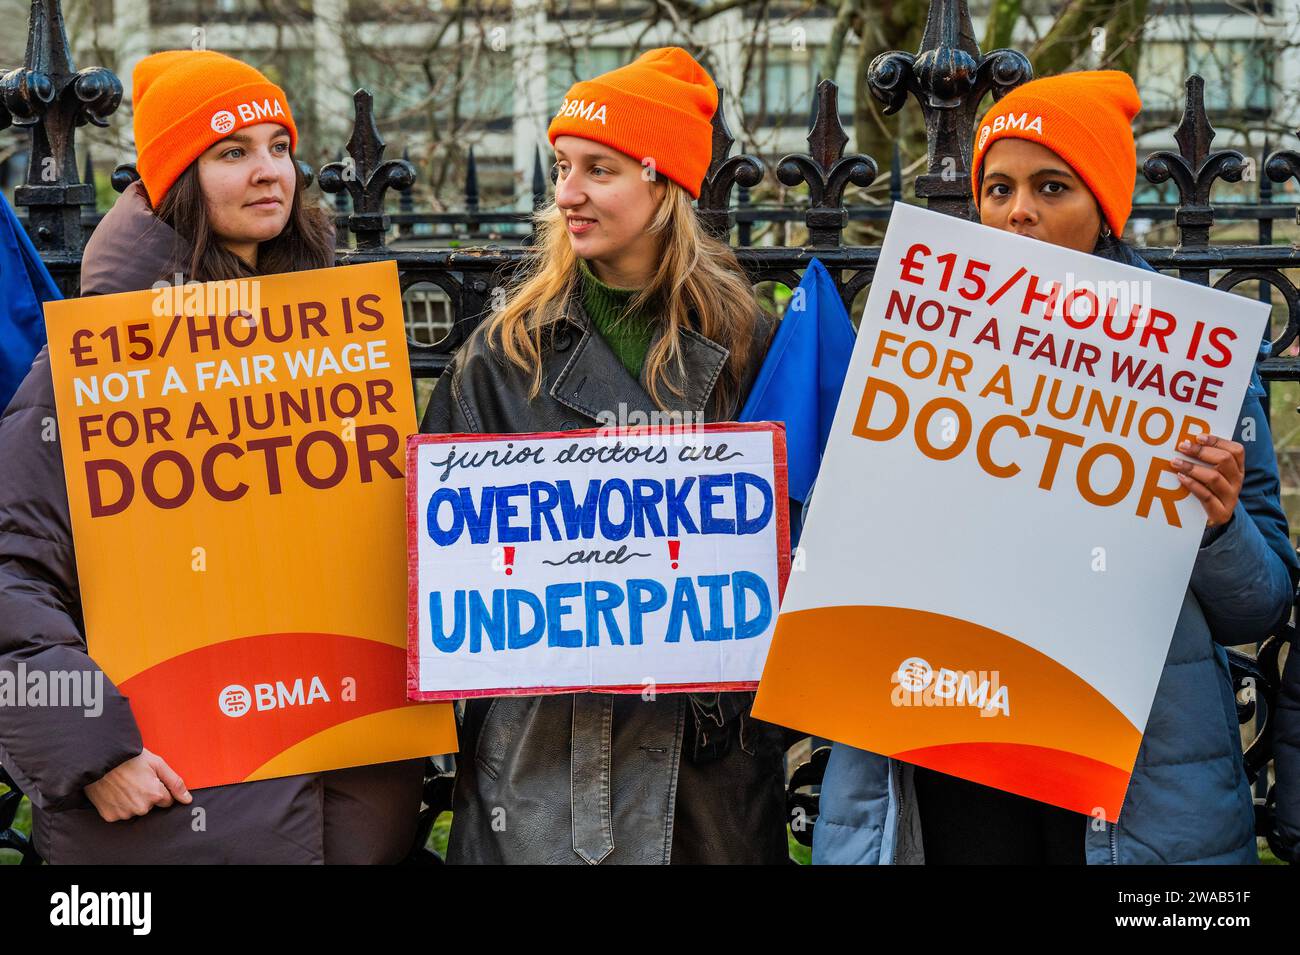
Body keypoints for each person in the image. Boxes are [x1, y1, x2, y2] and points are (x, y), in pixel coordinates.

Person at [812, 70, 1299, 864]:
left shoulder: (1192, 362)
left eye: (1052, 186)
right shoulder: (913, 350)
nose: (1018, 212)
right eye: (997, 188)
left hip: (1130, 779)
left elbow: (1261, 605)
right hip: (944, 746)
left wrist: (1218, 524)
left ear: (1103, 206)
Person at [0, 50, 425, 863]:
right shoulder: (96, 363)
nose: (268, 172)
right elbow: (12, 574)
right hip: (171, 808)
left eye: (278, 146)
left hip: (349, 794)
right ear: (176, 180)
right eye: (231, 153)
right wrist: (93, 752)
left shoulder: (339, 349)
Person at [419, 47, 792, 864]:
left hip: (708, 778)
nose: (568, 194)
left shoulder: (751, 343)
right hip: (540, 765)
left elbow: (802, 548)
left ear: (666, 185)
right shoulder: (502, 354)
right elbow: (436, 568)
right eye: (562, 167)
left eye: (600, 169)